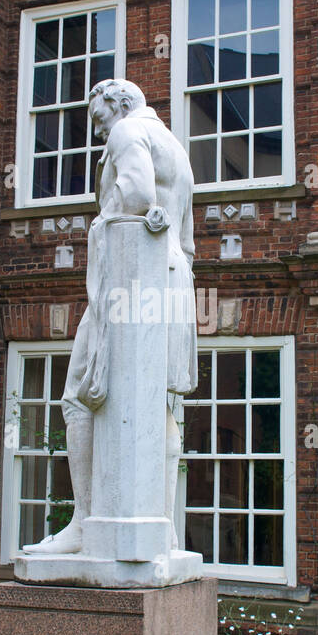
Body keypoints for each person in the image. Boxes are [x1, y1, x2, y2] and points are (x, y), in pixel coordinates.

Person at [22, 78, 197, 555]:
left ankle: (84, 521)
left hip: (132, 274)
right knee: (161, 405)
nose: (100, 133)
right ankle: (163, 527)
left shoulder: (127, 132)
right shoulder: (176, 150)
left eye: (99, 120)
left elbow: (137, 197)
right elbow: (187, 238)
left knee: (79, 394)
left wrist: (103, 223)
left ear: (120, 104)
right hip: (173, 277)